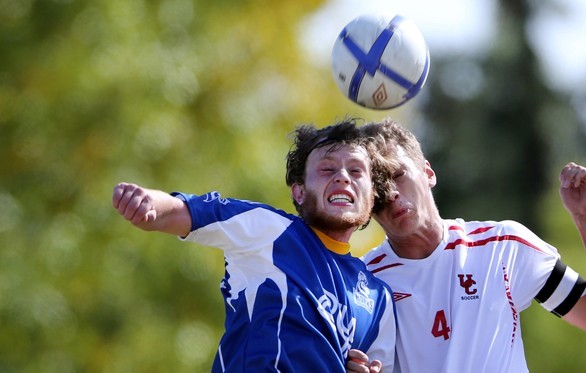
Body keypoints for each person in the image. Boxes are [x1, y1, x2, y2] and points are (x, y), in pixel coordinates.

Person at [349, 119, 586, 373]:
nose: (394, 193)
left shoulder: (502, 246)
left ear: (428, 174)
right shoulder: (362, 285)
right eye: (379, 188)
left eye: (399, 175)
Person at [112, 119, 396, 373]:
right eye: (327, 168)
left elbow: (379, 367)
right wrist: (150, 203)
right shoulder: (269, 229)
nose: (343, 177)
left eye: (356, 171)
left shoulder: (378, 297)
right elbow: (187, 212)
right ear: (299, 191)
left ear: (372, 196)